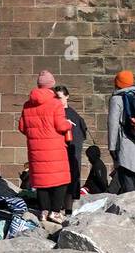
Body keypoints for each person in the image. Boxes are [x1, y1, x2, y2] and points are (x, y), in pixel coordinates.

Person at [19, 72, 72, 224]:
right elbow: (61, 125)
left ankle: (43, 212)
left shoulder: (28, 104)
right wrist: (68, 124)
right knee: (60, 180)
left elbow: (22, 127)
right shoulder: (55, 103)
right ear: (52, 85)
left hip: (36, 149)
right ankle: (55, 212)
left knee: (41, 181)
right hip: (54, 147)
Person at [108, 70, 135, 193]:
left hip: (126, 143)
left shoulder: (116, 99)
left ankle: (130, 206)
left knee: (126, 176)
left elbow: (113, 124)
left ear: (118, 83)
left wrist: (112, 147)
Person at [53, 84, 87, 214]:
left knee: (71, 181)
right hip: (60, 152)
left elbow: (82, 133)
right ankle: (59, 209)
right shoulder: (55, 113)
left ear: (67, 96)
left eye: (60, 97)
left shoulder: (74, 115)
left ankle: (68, 210)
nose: (58, 100)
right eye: (55, 98)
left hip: (72, 151)